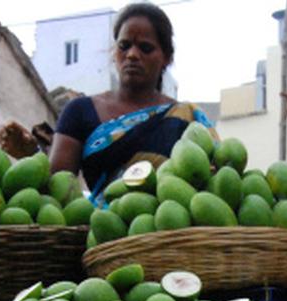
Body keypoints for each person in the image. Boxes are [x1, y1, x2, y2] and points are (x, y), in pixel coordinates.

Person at [49, 2, 215, 199]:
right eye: (124, 46)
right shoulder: (80, 111)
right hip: (101, 227)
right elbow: (56, 190)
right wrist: (31, 153)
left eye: (145, 48)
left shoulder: (187, 119)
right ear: (114, 52)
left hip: (168, 228)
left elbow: (214, 180)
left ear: (167, 58)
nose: (132, 55)